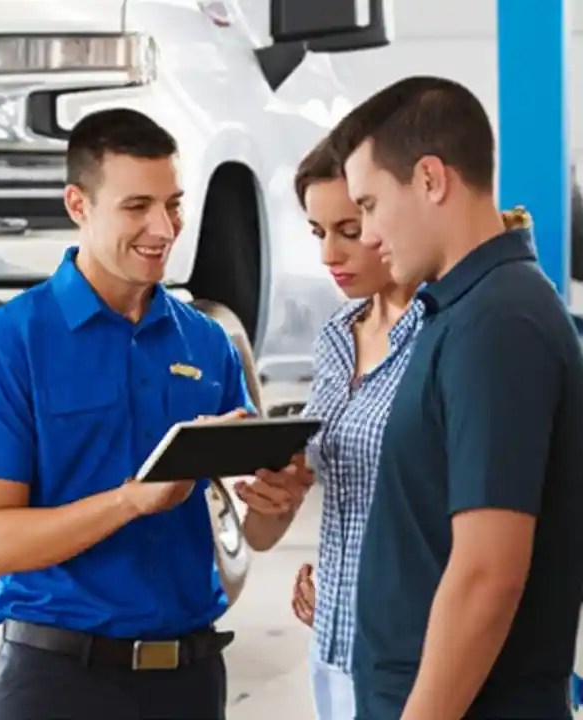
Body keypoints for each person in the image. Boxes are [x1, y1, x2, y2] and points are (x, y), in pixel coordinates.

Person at [0, 107, 314, 719]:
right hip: (56, 682)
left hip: (190, 681)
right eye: (137, 206)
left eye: (174, 205)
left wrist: (279, 501)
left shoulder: (207, 343)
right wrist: (131, 501)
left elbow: (254, 533)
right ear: (78, 205)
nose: (163, 229)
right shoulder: (8, 344)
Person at [325, 74, 583, 720]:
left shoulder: (498, 323)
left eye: (370, 205)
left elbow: (488, 573)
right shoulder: (464, 312)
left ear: (430, 179)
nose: (367, 234)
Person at [237, 136, 425, 720]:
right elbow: (268, 532)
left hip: (418, 655)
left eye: (349, 229)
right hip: (334, 648)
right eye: (318, 232)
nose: (328, 255)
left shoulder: (445, 335)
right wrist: (276, 496)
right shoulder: (336, 337)